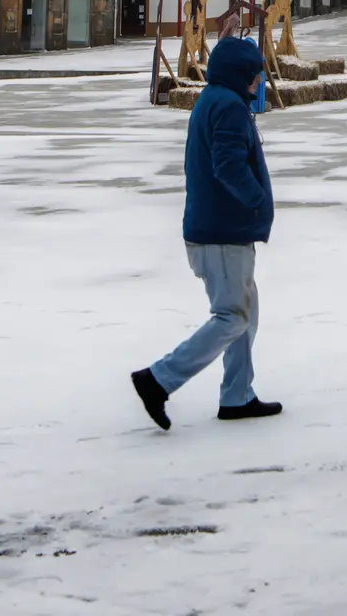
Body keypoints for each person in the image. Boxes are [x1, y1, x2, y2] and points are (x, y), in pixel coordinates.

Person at [131, 35, 282, 429]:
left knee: (245, 315)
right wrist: (255, 200)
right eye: (255, 76)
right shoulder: (229, 107)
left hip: (217, 228)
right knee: (232, 317)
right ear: (241, 75)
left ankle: (238, 396)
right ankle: (158, 379)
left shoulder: (214, 100)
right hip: (223, 232)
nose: (258, 83)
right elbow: (228, 166)